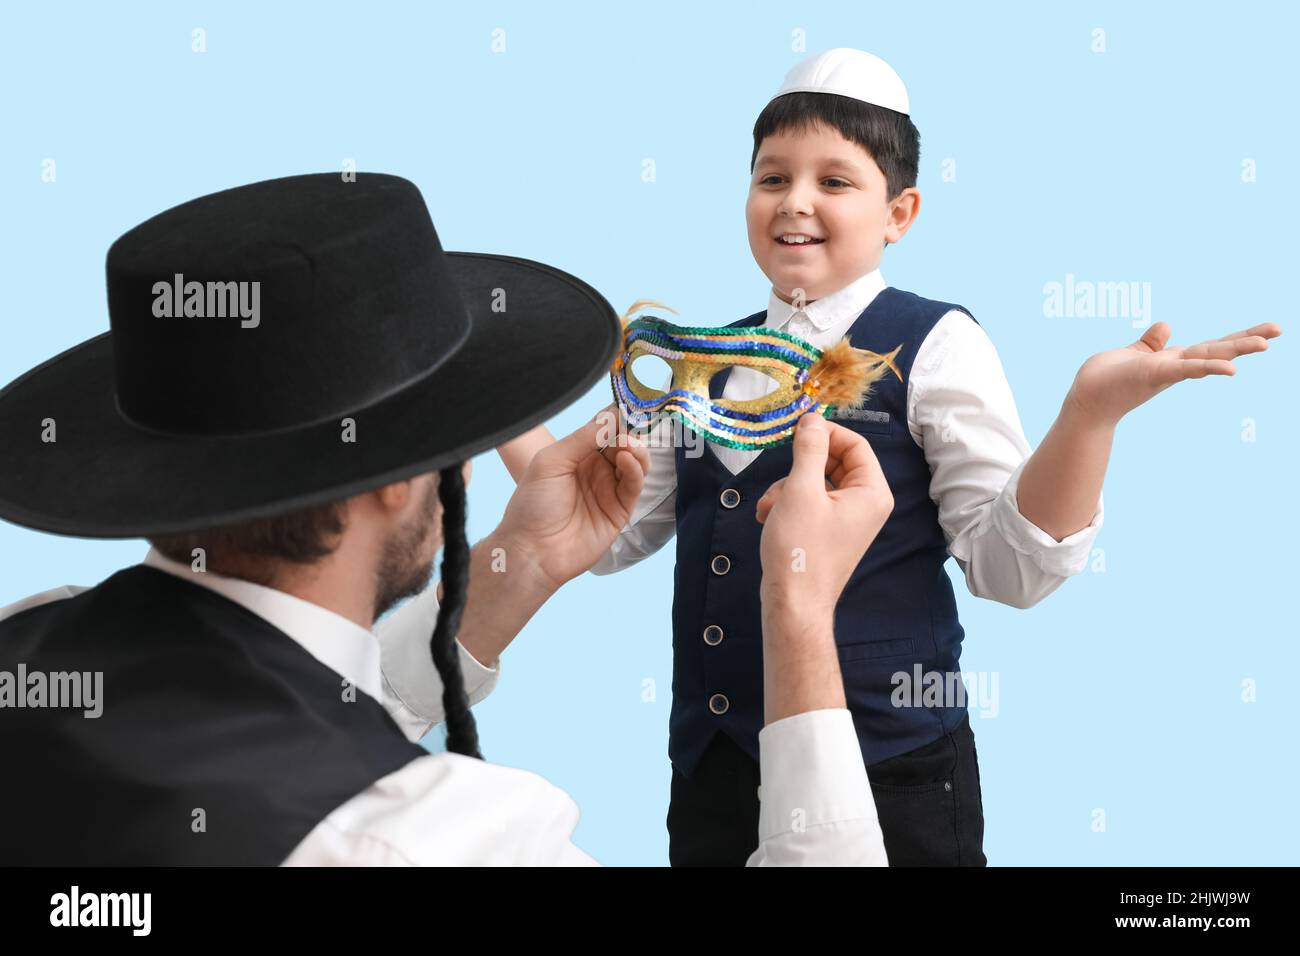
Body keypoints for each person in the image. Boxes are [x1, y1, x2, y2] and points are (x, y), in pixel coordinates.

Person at [494, 48, 1283, 865]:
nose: (795, 202)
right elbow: (604, 529)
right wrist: (483, 405)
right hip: (714, 781)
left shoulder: (938, 344)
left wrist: (1088, 416)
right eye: (772, 178)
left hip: (889, 776)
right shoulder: (705, 362)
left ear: (899, 213)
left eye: (834, 182)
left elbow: (1007, 568)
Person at [0, 172, 894, 865]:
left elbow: (286, 718)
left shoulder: (28, 646)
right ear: (400, 478)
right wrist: (798, 611)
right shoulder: (447, 840)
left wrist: (519, 561)